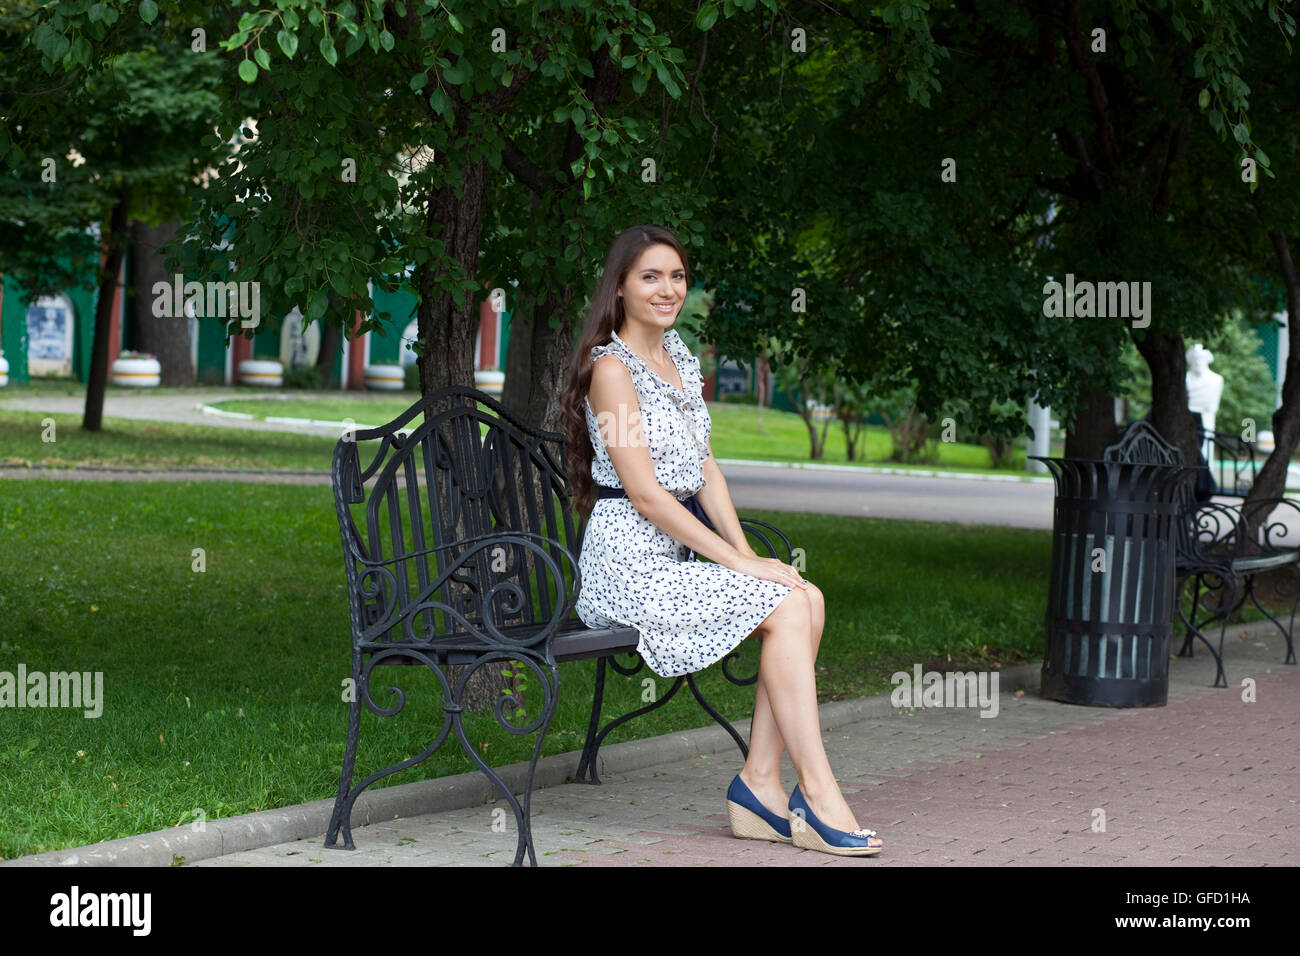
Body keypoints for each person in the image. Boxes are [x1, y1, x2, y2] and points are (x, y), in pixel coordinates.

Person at [559, 223, 883, 857]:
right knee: (789, 604)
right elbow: (649, 496)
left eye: (677, 276)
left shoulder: (678, 355)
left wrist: (751, 557)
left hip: (672, 555)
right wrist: (735, 560)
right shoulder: (610, 370)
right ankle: (818, 797)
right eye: (650, 276)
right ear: (620, 287)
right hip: (626, 566)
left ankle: (759, 783)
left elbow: (705, 467)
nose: (667, 289)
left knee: (803, 596)